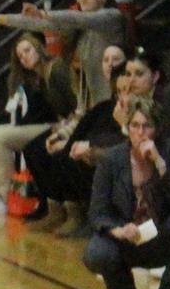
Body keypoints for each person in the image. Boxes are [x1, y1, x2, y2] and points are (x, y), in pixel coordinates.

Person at [82, 96, 170, 289]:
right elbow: (97, 212)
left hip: (159, 232)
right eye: (135, 125)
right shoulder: (111, 159)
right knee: (96, 253)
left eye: (147, 126)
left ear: (158, 129)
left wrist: (160, 164)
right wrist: (118, 230)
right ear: (127, 128)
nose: (141, 132)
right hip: (126, 235)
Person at [0, 0, 131, 109]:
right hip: (96, 106)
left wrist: (43, 12)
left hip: (118, 102)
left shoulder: (112, 17)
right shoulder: (80, 28)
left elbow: (76, 18)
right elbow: (35, 22)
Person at [25, 45, 143, 234]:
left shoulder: (136, 105)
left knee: (75, 154)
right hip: (92, 130)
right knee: (39, 148)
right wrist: (63, 136)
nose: (110, 64)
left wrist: (85, 144)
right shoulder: (89, 82)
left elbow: (117, 135)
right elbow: (82, 116)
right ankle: (56, 208)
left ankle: (82, 213)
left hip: (117, 147)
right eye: (105, 59)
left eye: (115, 59)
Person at [0, 33, 74, 214]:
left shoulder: (56, 68)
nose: (24, 57)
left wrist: (68, 122)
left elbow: (72, 101)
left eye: (27, 51)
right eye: (20, 56)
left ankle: (6, 198)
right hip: (37, 122)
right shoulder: (27, 78)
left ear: (38, 47)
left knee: (0, 139)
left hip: (55, 122)